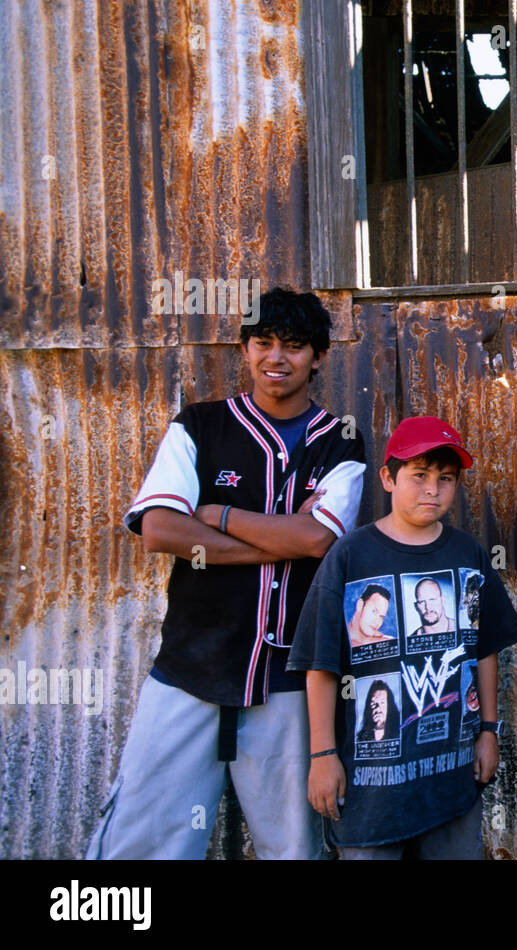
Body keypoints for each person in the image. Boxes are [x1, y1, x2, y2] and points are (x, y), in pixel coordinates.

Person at [85, 288, 367, 860]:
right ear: (244, 348)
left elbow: (318, 538)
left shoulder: (341, 439)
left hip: (287, 676)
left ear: (317, 356)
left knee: (290, 846)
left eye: (294, 345)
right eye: (263, 342)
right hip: (192, 664)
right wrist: (277, 542)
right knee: (147, 839)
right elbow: (161, 529)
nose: (276, 358)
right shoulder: (200, 425)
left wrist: (220, 517)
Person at [289, 416, 517, 859]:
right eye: (418, 476)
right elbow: (320, 665)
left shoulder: (467, 553)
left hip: (452, 774)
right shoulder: (351, 556)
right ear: (387, 478)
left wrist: (490, 731)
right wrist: (323, 756)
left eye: (446, 479)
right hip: (373, 785)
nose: (433, 489)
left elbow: (485, 648)